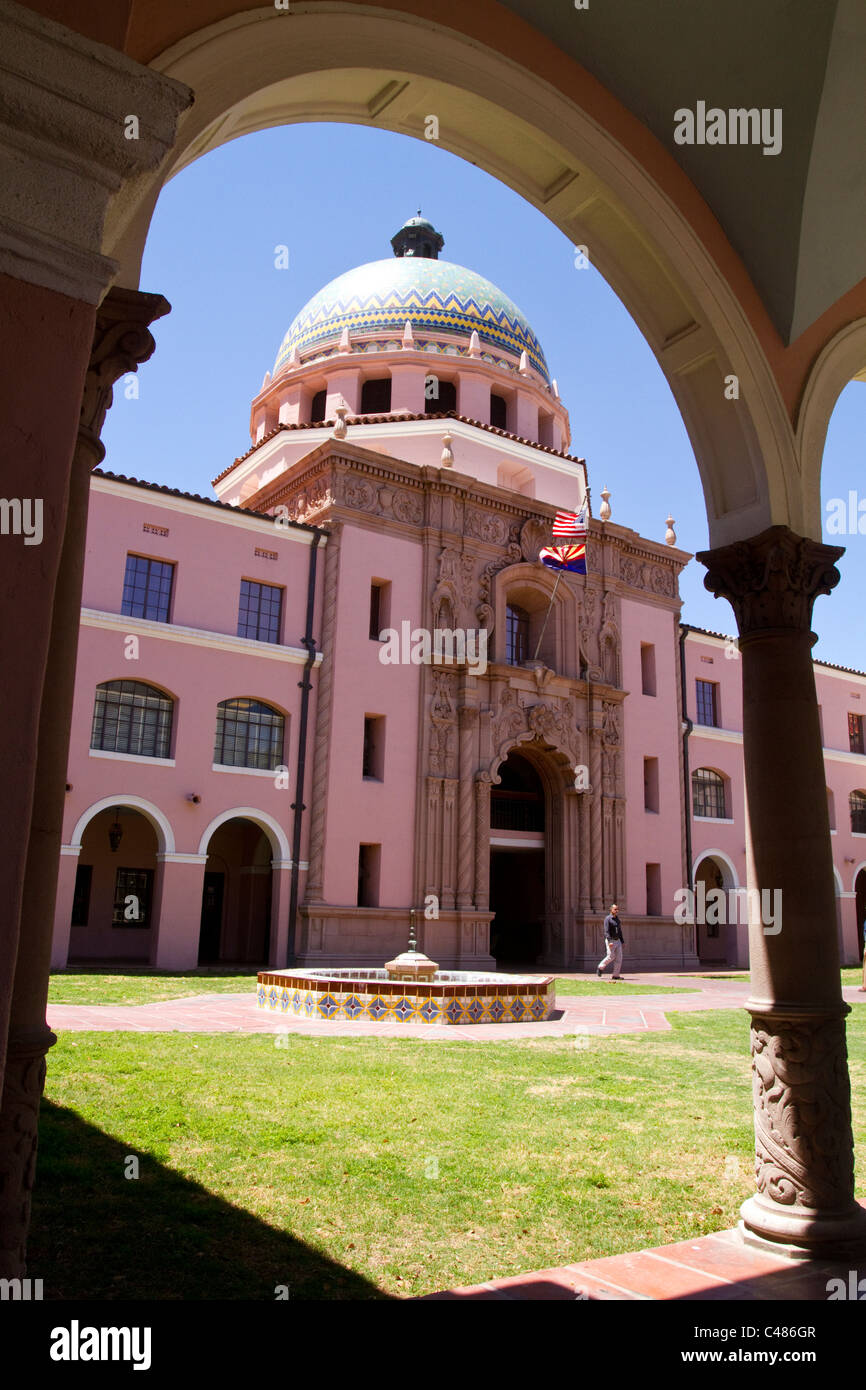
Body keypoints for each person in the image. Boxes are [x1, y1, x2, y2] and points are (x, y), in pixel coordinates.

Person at [597, 903, 624, 980]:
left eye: (617, 909)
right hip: (611, 940)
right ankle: (600, 967)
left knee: (619, 958)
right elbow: (606, 931)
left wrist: (622, 941)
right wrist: (609, 941)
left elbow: (619, 931)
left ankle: (616, 975)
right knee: (611, 956)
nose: (616, 911)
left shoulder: (617, 919)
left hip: (617, 940)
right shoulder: (608, 919)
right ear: (611, 910)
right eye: (615, 909)